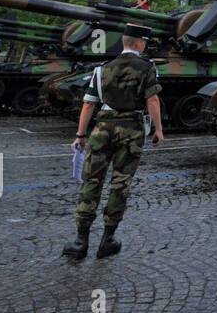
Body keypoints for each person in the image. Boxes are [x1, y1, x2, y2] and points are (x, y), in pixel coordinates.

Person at [62, 23, 164, 260]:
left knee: (91, 181)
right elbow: (153, 100)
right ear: (140, 43)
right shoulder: (148, 67)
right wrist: (158, 129)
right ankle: (107, 239)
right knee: (120, 182)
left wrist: (79, 135)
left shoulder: (102, 68)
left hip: (103, 128)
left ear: (124, 42)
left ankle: (80, 241)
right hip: (132, 129)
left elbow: (88, 103)